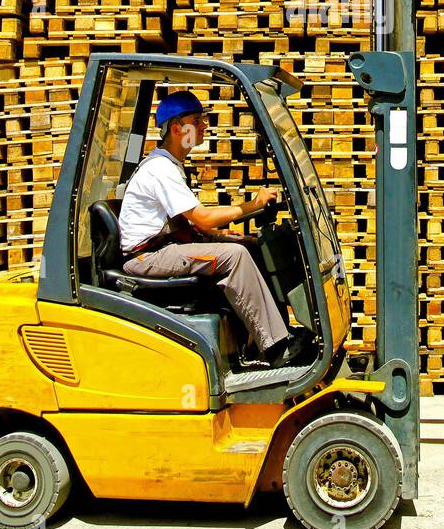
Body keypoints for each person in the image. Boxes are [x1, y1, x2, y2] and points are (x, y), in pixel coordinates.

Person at [117, 90, 306, 368]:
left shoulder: (171, 166)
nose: (204, 125)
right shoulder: (160, 169)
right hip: (148, 257)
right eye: (197, 120)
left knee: (248, 246)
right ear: (177, 128)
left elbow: (186, 224)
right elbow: (203, 218)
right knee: (234, 256)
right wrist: (253, 205)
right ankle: (276, 348)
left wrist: (220, 236)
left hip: (164, 249)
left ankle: (268, 336)